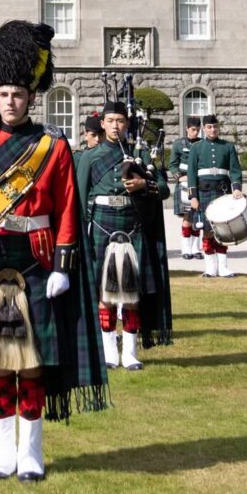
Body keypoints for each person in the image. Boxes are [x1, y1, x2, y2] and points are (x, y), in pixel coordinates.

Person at [0, 21, 109, 481]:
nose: (10, 102)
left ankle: (31, 454)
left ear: (30, 97)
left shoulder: (52, 147)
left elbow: (67, 208)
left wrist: (63, 266)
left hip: (38, 263)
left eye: (17, 94)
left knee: (33, 365)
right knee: (0, 366)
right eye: (3, 94)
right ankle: (2, 456)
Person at [77, 97, 171, 370]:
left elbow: (164, 189)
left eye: (120, 121)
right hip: (102, 225)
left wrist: (144, 183)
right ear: (103, 124)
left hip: (133, 226)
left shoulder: (139, 155)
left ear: (127, 124)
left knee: (131, 294)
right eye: (110, 121)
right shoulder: (90, 157)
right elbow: (80, 199)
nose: (115, 126)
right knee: (105, 293)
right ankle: (109, 352)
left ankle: (130, 353)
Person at [191, 113, 243, 278]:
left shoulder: (228, 147)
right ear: (204, 128)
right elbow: (191, 174)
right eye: (209, 127)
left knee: (222, 231)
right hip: (204, 192)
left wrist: (236, 188)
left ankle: (223, 267)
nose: (213, 130)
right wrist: (193, 196)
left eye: (215, 127)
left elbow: (235, 170)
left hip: (222, 193)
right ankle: (210, 268)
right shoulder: (196, 148)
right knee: (207, 230)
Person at [173, 116, 204, 260]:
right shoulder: (178, 144)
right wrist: (179, 177)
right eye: (193, 130)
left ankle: (196, 249)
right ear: (187, 129)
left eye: (197, 130)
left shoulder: (202, 144)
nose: (195, 132)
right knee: (187, 217)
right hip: (184, 183)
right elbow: (173, 165)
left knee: (197, 216)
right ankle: (186, 249)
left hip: (198, 183)